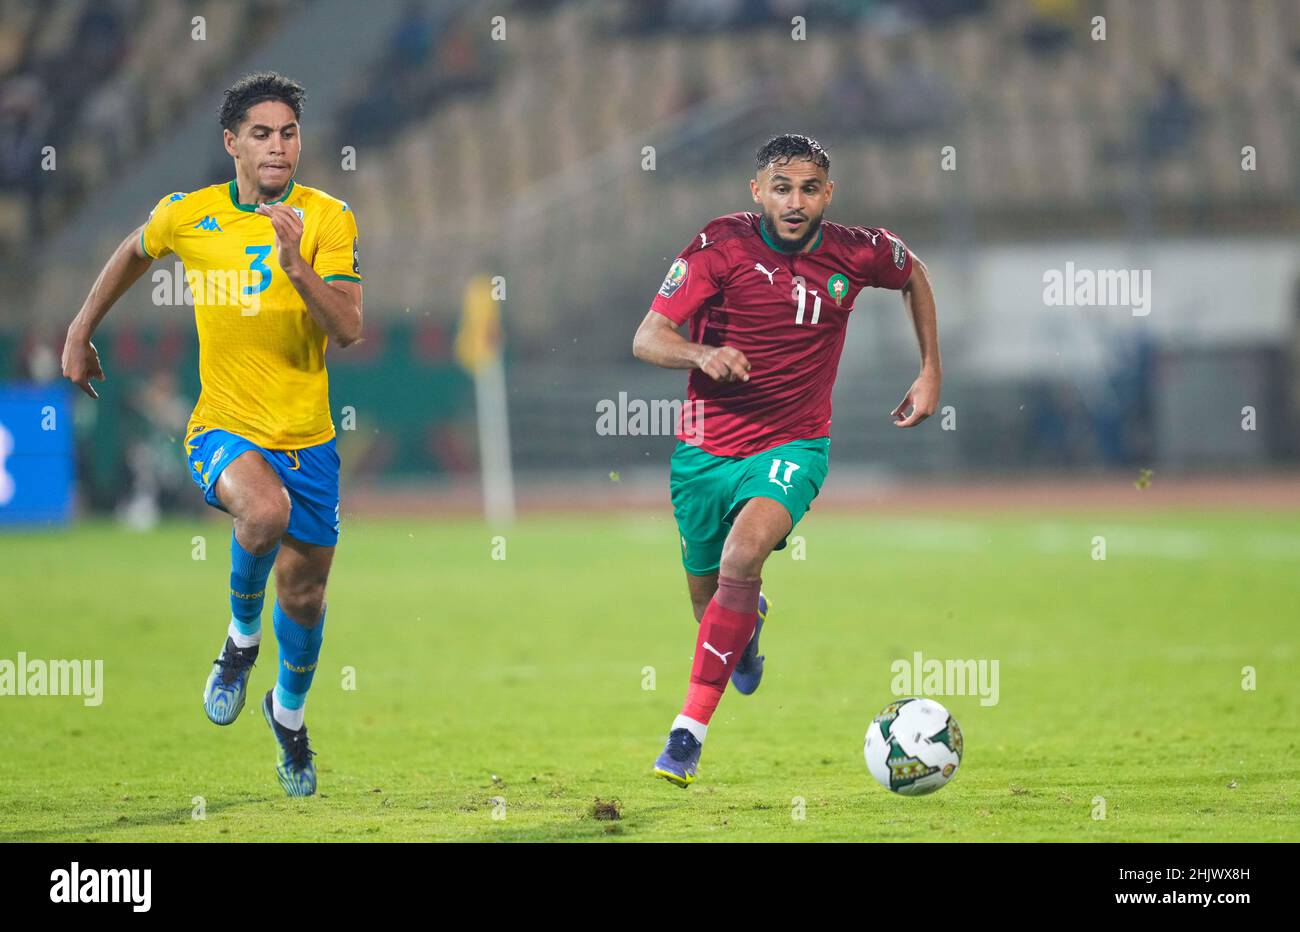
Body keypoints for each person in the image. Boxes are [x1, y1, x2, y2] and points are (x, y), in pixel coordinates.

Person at [61, 72, 363, 797]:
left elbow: (349, 328)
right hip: (224, 427)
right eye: (261, 133)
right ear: (231, 143)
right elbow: (135, 249)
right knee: (262, 512)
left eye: (288, 132)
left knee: (307, 598)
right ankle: (238, 641)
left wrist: (294, 265)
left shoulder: (327, 218)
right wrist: (80, 330)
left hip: (309, 440)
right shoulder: (189, 215)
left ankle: (287, 716)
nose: (277, 146)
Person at [632, 133, 941, 786]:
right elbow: (649, 336)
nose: (794, 201)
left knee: (742, 556)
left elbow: (912, 273)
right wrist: (700, 354)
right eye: (781, 187)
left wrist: (929, 370)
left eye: (808, 188)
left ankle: (686, 734)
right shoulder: (720, 245)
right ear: (757, 193)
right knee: (706, 600)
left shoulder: (858, 251)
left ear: (827, 193)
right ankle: (745, 633)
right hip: (703, 452)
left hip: (792, 445)